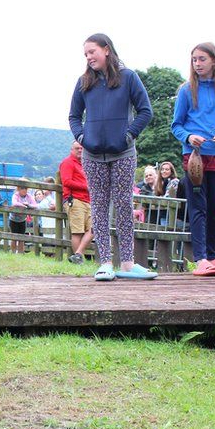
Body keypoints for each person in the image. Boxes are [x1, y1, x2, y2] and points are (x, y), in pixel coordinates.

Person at [68, 33, 155, 280]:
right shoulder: (84, 82)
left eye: (91, 52)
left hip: (123, 153)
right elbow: (74, 116)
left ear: (106, 50)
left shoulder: (129, 78)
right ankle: (105, 262)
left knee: (124, 205)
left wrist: (128, 136)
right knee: (99, 207)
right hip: (93, 156)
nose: (88, 57)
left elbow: (145, 111)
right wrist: (82, 138)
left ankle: (128, 264)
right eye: (85, 54)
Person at [171, 42, 215, 277]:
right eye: (194, 60)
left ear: (214, 60)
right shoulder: (185, 90)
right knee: (198, 206)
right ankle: (200, 258)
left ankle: (213, 255)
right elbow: (176, 125)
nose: (197, 64)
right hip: (195, 157)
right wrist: (189, 136)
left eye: (202, 59)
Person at [59, 141, 94, 263]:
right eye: (77, 148)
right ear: (71, 150)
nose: (80, 150)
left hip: (88, 201)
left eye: (81, 148)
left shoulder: (85, 164)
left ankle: (78, 254)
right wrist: (87, 186)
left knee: (94, 228)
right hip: (74, 200)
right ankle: (78, 260)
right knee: (77, 231)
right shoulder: (67, 162)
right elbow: (66, 182)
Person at [9, 185, 37, 254]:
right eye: (22, 188)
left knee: (22, 237)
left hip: (22, 220)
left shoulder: (29, 196)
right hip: (13, 219)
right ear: (18, 189)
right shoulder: (16, 195)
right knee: (14, 237)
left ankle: (21, 252)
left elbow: (35, 205)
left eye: (25, 188)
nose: (24, 190)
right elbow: (14, 203)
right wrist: (23, 205)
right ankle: (13, 252)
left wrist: (28, 205)